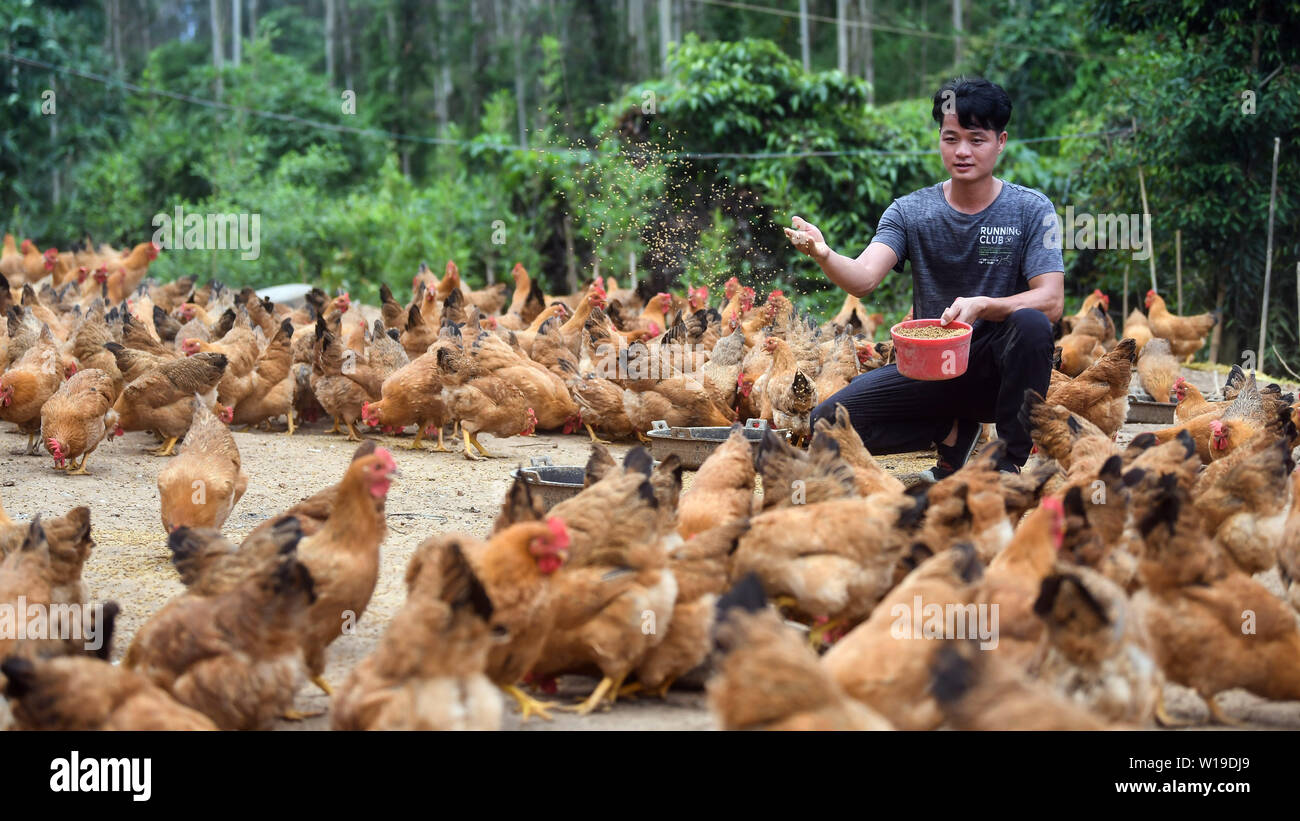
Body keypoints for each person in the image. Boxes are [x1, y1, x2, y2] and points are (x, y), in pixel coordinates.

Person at [785, 76, 1064, 481]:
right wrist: (825, 255)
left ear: (1001, 141)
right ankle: (950, 431)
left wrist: (985, 305)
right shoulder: (911, 211)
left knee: (1033, 323)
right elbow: (863, 279)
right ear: (939, 139)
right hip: (934, 369)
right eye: (951, 139)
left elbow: (1051, 299)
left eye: (976, 139)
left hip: (999, 371)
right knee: (827, 424)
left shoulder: (1031, 210)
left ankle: (1007, 461)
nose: (962, 151)